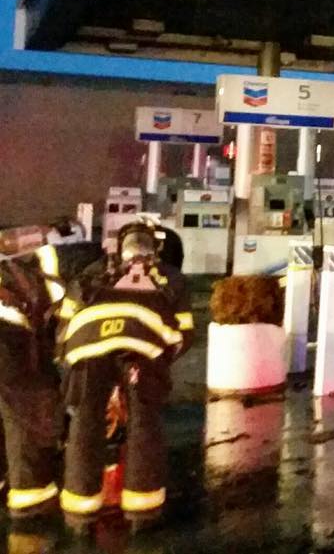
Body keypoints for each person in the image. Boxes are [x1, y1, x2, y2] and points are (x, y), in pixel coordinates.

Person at [57, 221, 192, 532]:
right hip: (142, 347)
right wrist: (159, 365)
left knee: (85, 420)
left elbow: (65, 325)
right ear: (155, 247)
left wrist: (72, 361)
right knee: (145, 420)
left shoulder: (94, 270)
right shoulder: (170, 276)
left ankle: (79, 514)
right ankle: (141, 515)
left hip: (87, 345)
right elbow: (183, 333)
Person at [0, 242, 70, 520]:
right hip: (10, 338)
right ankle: (31, 498)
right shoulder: (60, 270)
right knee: (27, 415)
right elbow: (60, 324)